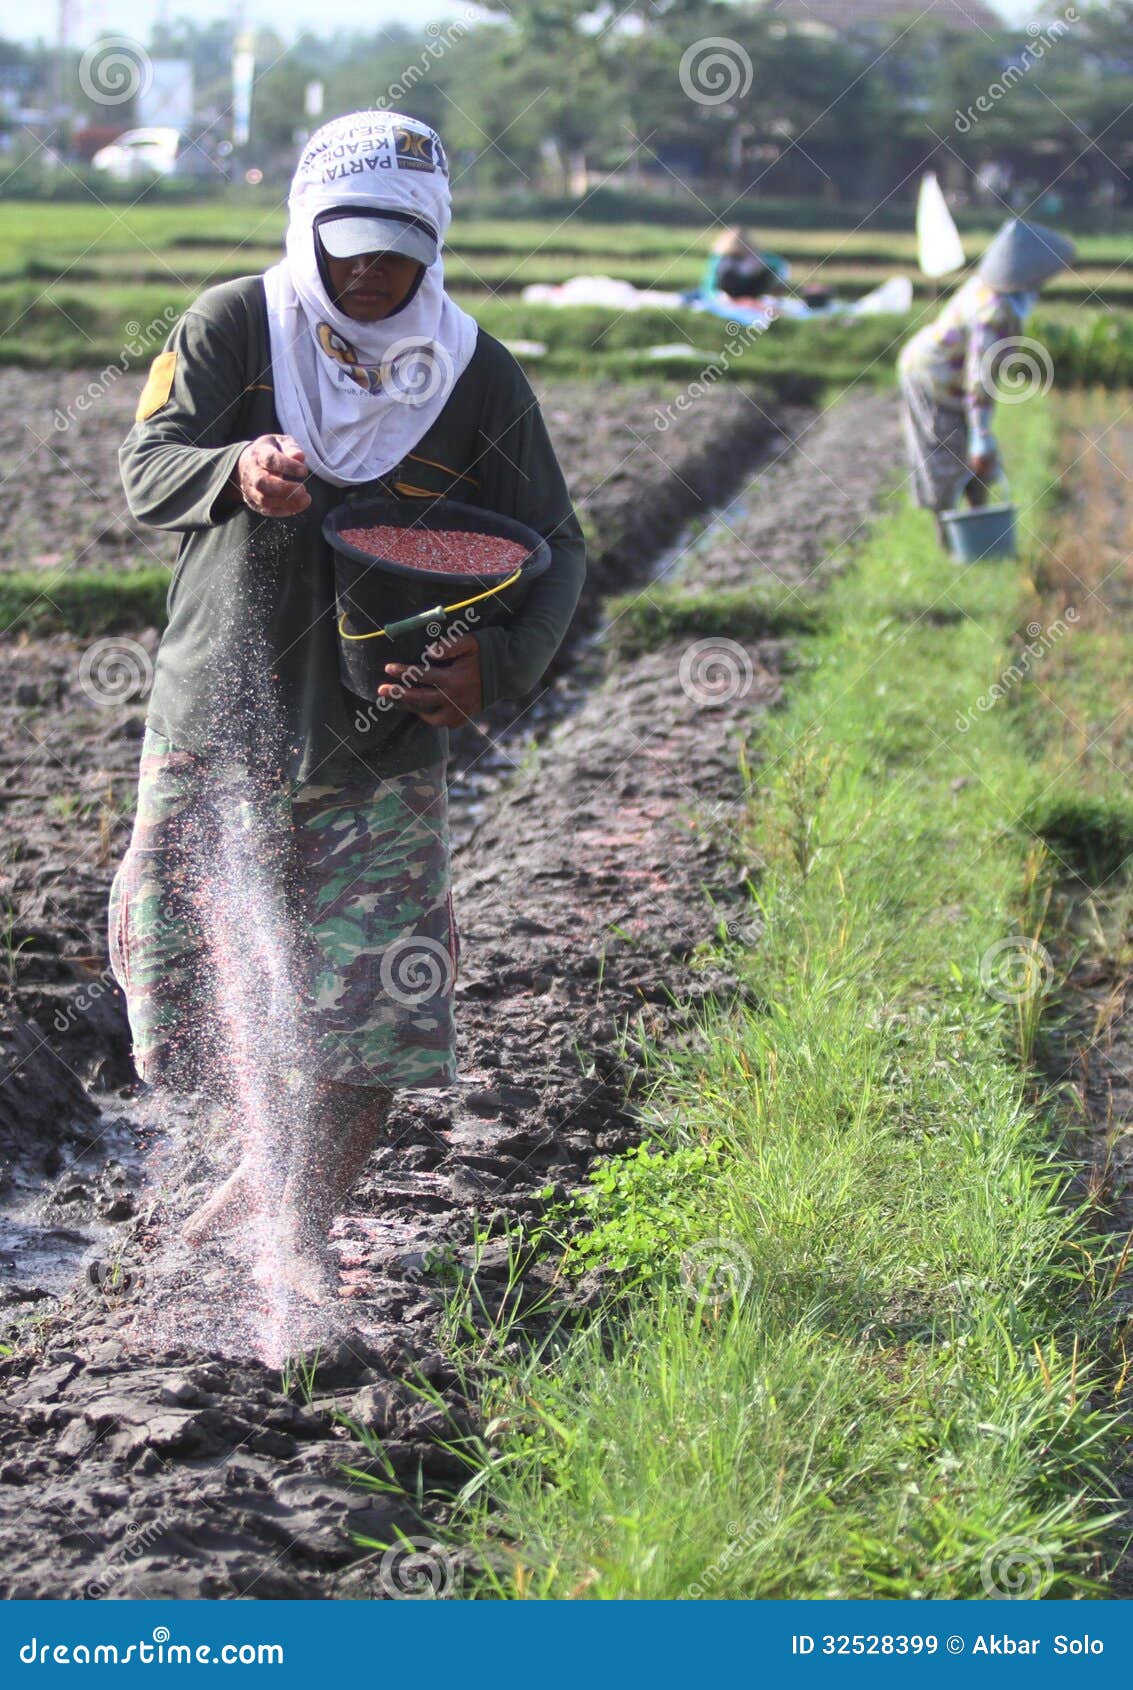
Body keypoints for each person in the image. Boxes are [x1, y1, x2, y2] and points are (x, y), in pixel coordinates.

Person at [110, 110, 586, 1298]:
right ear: (305, 229)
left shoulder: (470, 371)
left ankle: (298, 1228)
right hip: (222, 712)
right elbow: (147, 466)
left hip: (376, 729)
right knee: (174, 982)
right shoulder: (235, 325)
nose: (371, 273)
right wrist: (236, 470)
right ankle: (257, 1173)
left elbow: (559, 546)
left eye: (398, 250)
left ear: (436, 245)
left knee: (376, 1004)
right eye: (348, 247)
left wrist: (500, 668)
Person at [897, 217, 1075, 542]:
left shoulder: (994, 290)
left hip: (949, 376)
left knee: (976, 464)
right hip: (931, 376)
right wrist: (981, 434)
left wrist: (980, 435)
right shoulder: (992, 311)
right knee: (949, 459)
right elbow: (980, 377)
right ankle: (953, 543)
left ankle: (979, 536)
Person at [701, 227, 789, 301]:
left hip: (753, 296)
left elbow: (780, 264)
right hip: (728, 296)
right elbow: (710, 287)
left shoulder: (759, 257)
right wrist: (720, 297)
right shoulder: (721, 259)